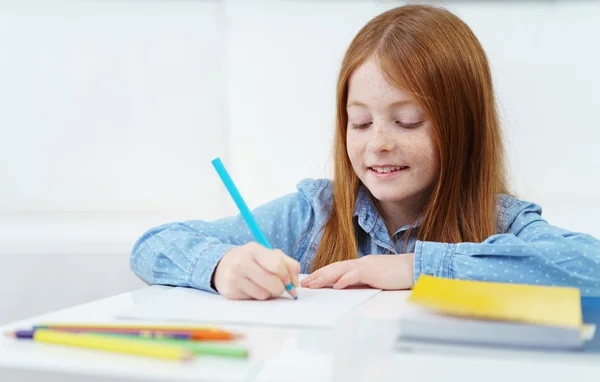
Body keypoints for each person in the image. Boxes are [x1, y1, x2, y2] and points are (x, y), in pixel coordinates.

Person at [130, 5, 600, 299]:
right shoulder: (314, 216)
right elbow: (154, 244)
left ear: (464, 127)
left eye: (407, 121)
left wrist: (416, 268)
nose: (378, 142)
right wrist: (222, 266)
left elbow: (591, 269)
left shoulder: (501, 222)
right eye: (360, 122)